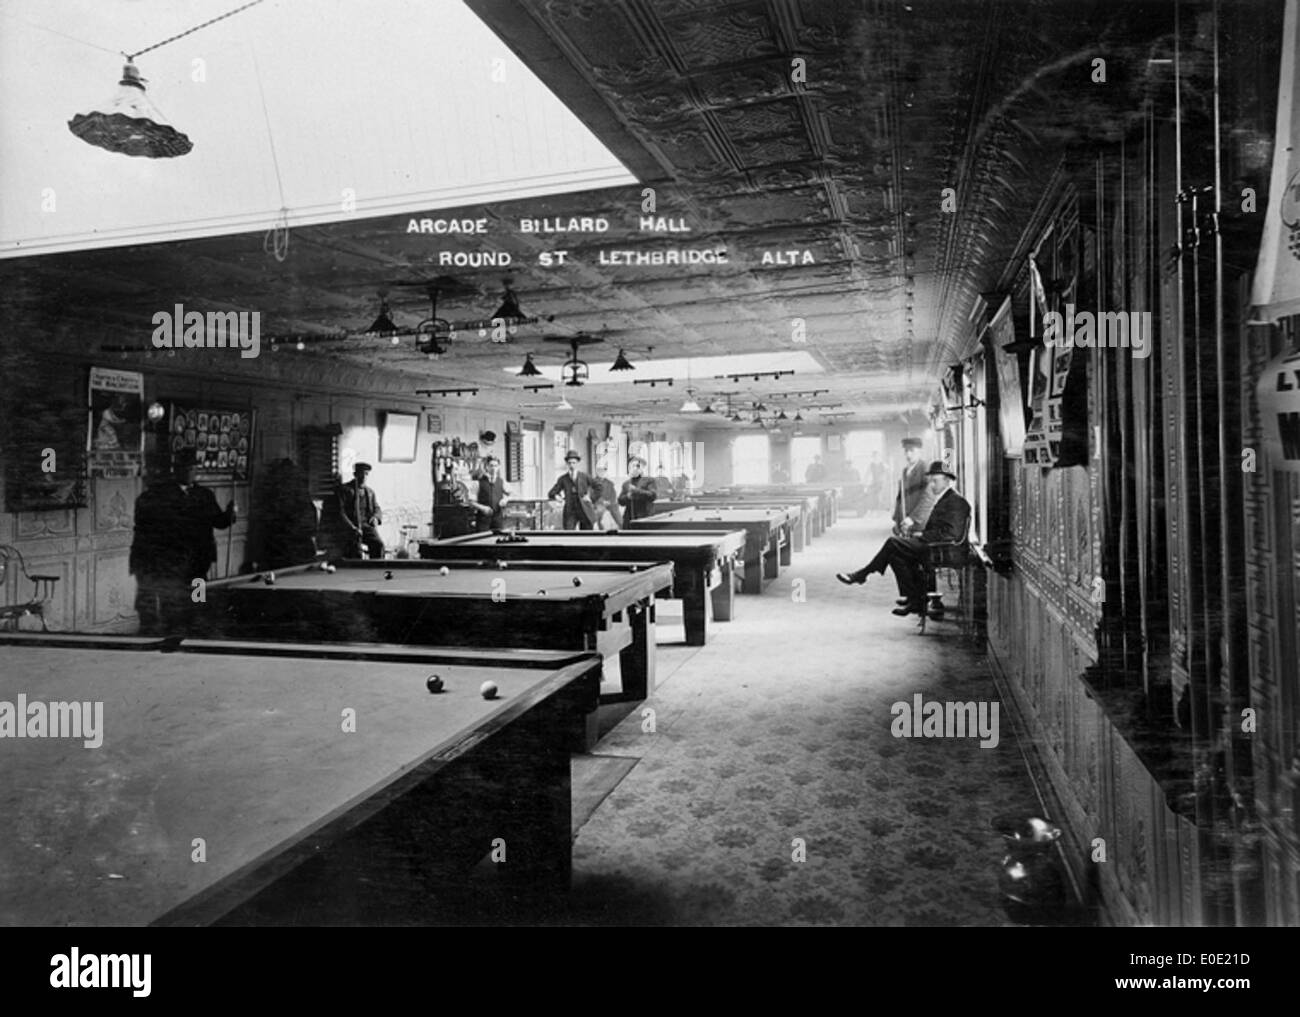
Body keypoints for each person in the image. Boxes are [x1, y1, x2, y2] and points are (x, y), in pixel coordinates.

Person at [836, 461, 971, 616]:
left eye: (936, 481)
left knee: (893, 542)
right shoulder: (946, 498)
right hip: (936, 546)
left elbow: (951, 534)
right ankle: (915, 600)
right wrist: (921, 535)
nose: (932, 485)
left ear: (947, 480)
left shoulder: (956, 502)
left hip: (945, 550)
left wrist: (922, 535)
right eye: (931, 481)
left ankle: (862, 574)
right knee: (894, 556)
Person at [130, 447, 236, 634]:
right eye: (185, 469)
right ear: (176, 470)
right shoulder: (161, 494)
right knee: (173, 606)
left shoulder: (204, 495)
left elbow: (219, 522)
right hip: (173, 563)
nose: (190, 473)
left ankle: (197, 633)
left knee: (198, 600)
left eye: (193, 469)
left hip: (199, 563)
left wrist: (230, 513)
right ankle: (173, 638)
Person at [340, 462, 385, 558]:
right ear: (355, 474)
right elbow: (340, 512)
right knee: (356, 553)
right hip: (350, 528)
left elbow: (377, 508)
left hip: (366, 526)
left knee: (379, 545)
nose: (364, 476)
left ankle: (376, 570)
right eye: (361, 473)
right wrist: (352, 528)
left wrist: (376, 517)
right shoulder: (345, 490)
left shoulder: (370, 492)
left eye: (366, 474)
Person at [548, 450, 596, 529]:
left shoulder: (585, 476)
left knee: (587, 536)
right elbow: (551, 492)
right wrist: (556, 496)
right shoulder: (563, 479)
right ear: (567, 464)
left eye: (574, 463)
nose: (572, 465)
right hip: (570, 510)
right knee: (568, 533)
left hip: (584, 510)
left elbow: (598, 487)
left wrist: (590, 497)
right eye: (569, 463)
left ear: (577, 463)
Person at [892, 437, 928, 534]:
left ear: (920, 451)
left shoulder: (925, 469)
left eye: (912, 451)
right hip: (905, 522)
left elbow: (927, 498)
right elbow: (901, 497)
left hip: (919, 524)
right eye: (906, 451)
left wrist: (913, 518)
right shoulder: (905, 471)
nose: (908, 454)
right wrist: (897, 519)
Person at [472, 455, 511, 531]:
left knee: (499, 539)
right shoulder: (478, 483)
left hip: (498, 519)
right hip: (483, 520)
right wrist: (482, 508)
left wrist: (505, 499)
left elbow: (511, 494)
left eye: (496, 466)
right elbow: (471, 502)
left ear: (498, 467)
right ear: (486, 467)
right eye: (491, 466)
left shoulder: (502, 482)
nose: (494, 468)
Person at [618, 454, 658, 523]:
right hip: (629, 518)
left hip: (645, 516)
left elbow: (653, 495)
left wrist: (637, 491)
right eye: (632, 466)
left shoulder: (649, 480)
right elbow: (620, 500)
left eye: (638, 466)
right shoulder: (626, 483)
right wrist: (627, 496)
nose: (635, 468)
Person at [592, 462, 622, 529]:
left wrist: (611, 502)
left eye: (603, 470)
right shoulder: (592, 482)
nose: (602, 472)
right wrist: (602, 501)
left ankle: (622, 527)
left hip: (610, 503)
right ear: (596, 471)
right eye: (600, 470)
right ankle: (601, 529)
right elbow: (592, 495)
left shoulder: (610, 483)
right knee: (599, 511)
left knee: (616, 510)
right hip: (598, 503)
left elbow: (613, 494)